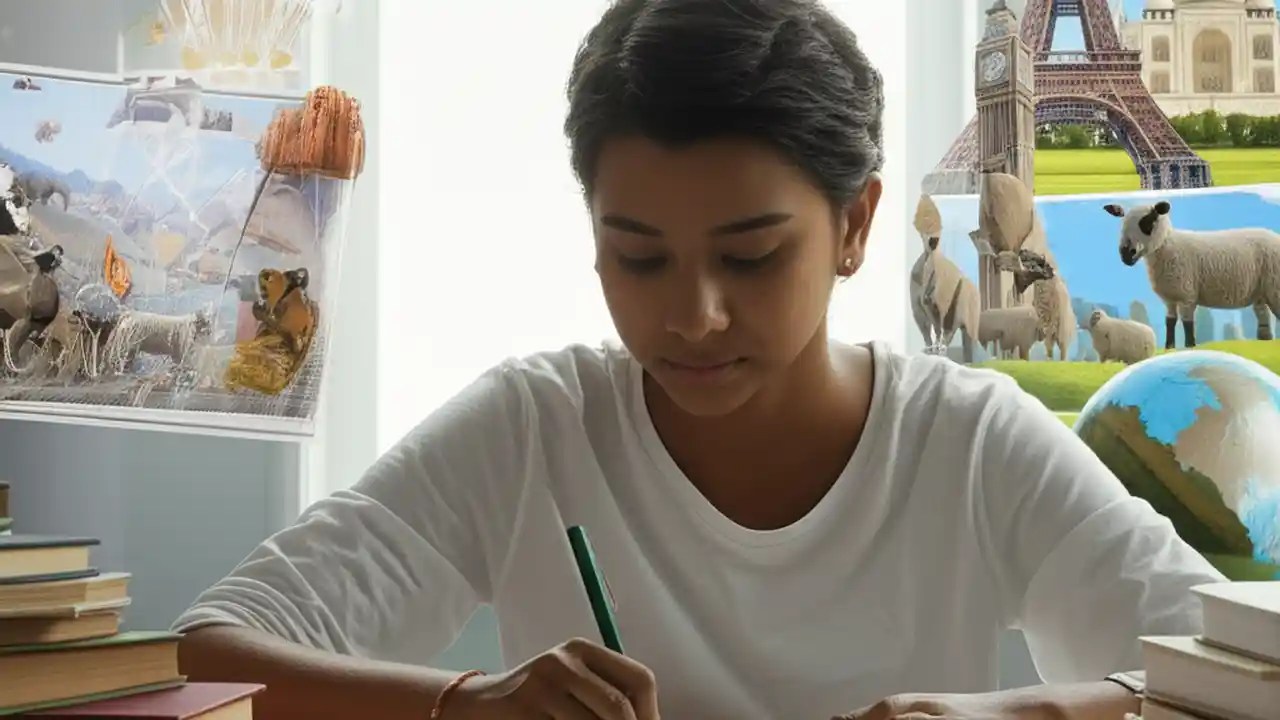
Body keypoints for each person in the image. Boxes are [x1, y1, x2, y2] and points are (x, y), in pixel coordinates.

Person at [172, 1, 1225, 718]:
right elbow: (211, 651)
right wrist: (463, 705)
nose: (694, 318)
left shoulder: (967, 442)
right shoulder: (533, 427)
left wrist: (1031, 709)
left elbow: (1247, 678)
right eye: (637, 257)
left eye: (751, 256)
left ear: (854, 226)